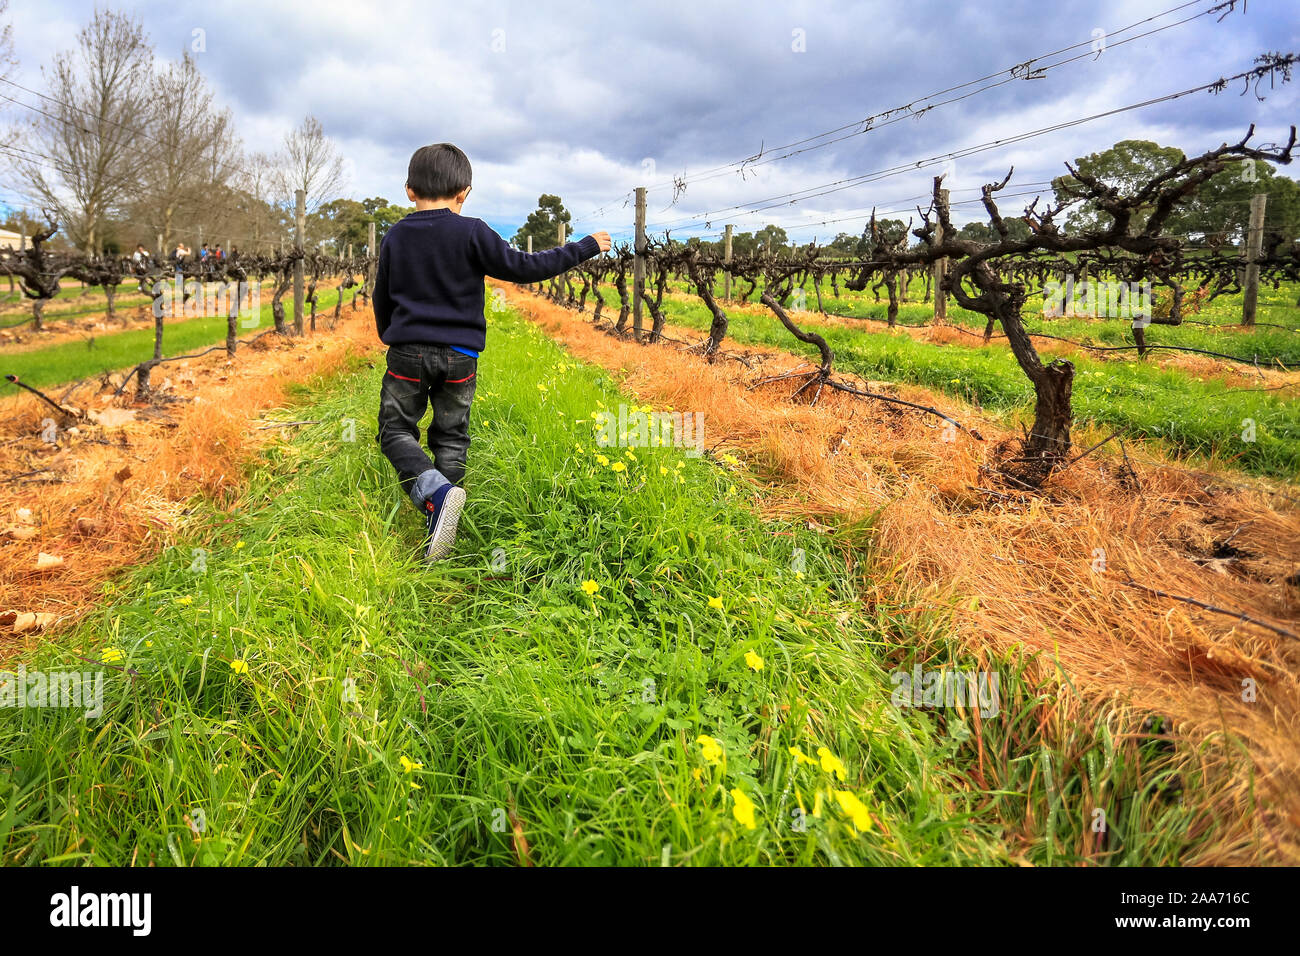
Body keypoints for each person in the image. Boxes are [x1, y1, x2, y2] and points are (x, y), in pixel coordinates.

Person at [373, 142, 610, 562]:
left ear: (409, 190)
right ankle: (442, 513)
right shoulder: (473, 231)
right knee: (451, 435)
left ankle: (435, 496)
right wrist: (585, 245)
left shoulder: (395, 236)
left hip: (407, 353)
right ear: (464, 192)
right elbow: (525, 267)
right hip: (461, 355)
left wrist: (389, 334)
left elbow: (382, 295)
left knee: (394, 430)